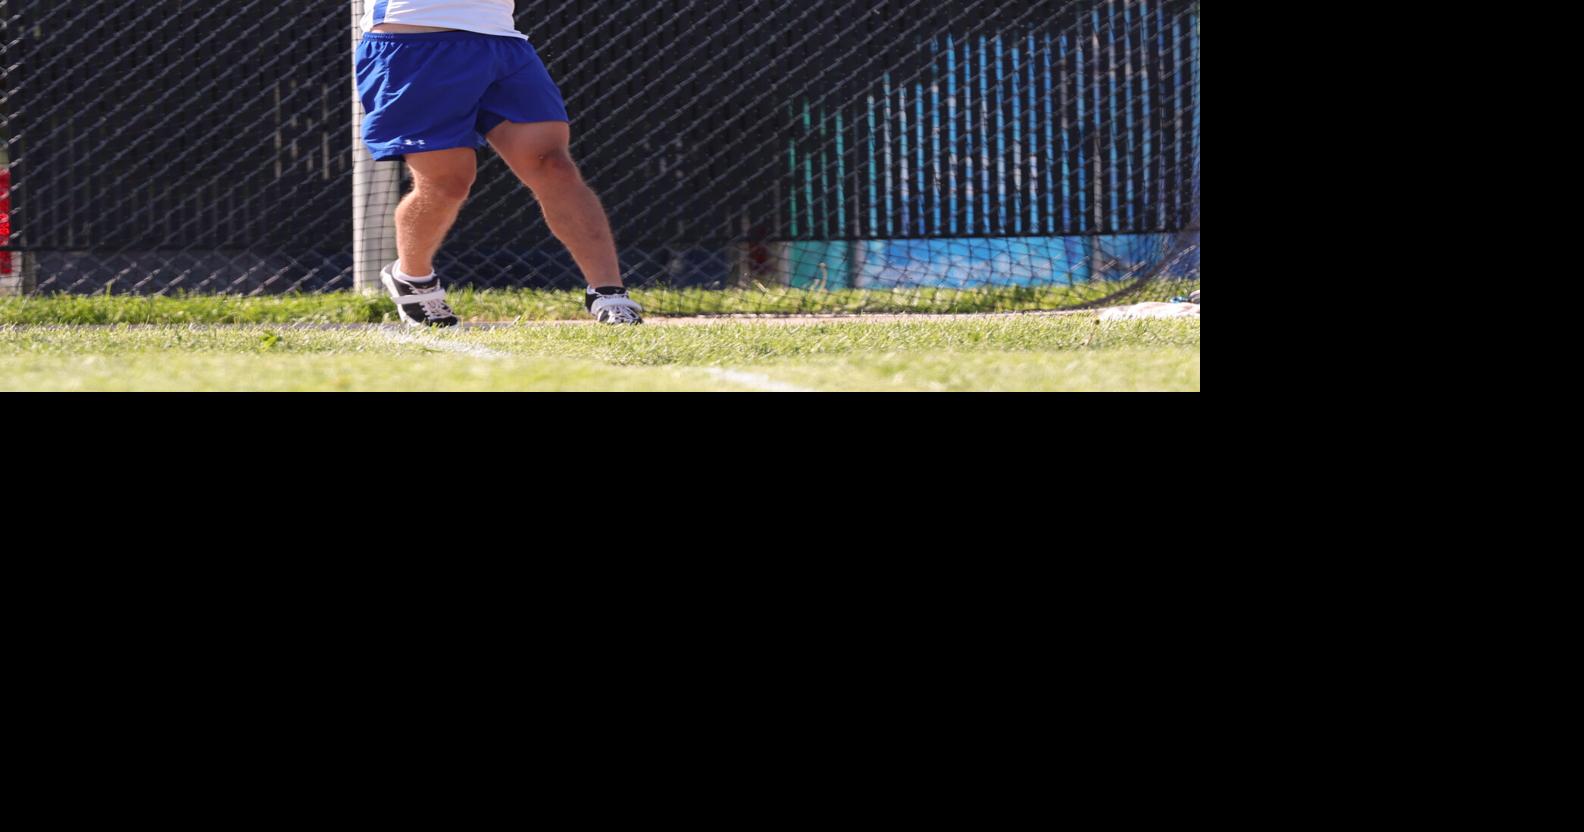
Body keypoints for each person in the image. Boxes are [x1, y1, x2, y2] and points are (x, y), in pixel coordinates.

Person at [356, 0, 643, 326]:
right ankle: (413, 277)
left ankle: (609, 293)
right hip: (413, 41)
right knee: (447, 183)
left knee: (553, 165)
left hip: (501, 41)